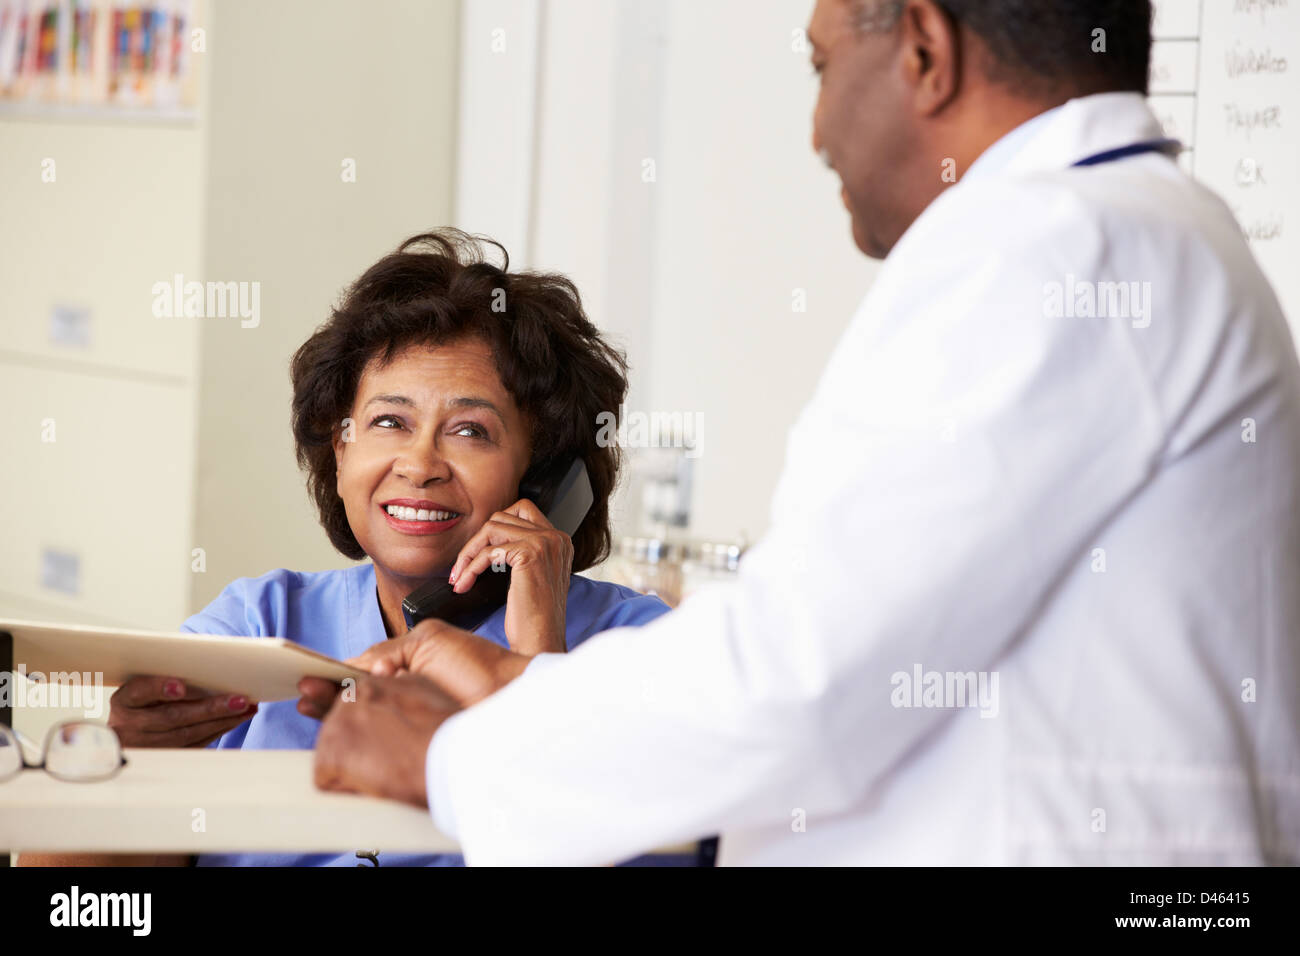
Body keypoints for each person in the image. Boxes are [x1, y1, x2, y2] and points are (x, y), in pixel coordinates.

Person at [303, 0, 1300, 866]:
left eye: (821, 67)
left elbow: (801, 678)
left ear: (922, 50)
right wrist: (520, 683)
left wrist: (452, 757)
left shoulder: (1051, 244)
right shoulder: (1135, 228)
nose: (818, 127)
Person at [20, 230, 672, 867]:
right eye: (389, 422)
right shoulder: (259, 623)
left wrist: (534, 665)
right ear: (340, 449)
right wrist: (128, 769)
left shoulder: (637, 648)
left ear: (543, 480)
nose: (419, 464)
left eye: (471, 431)